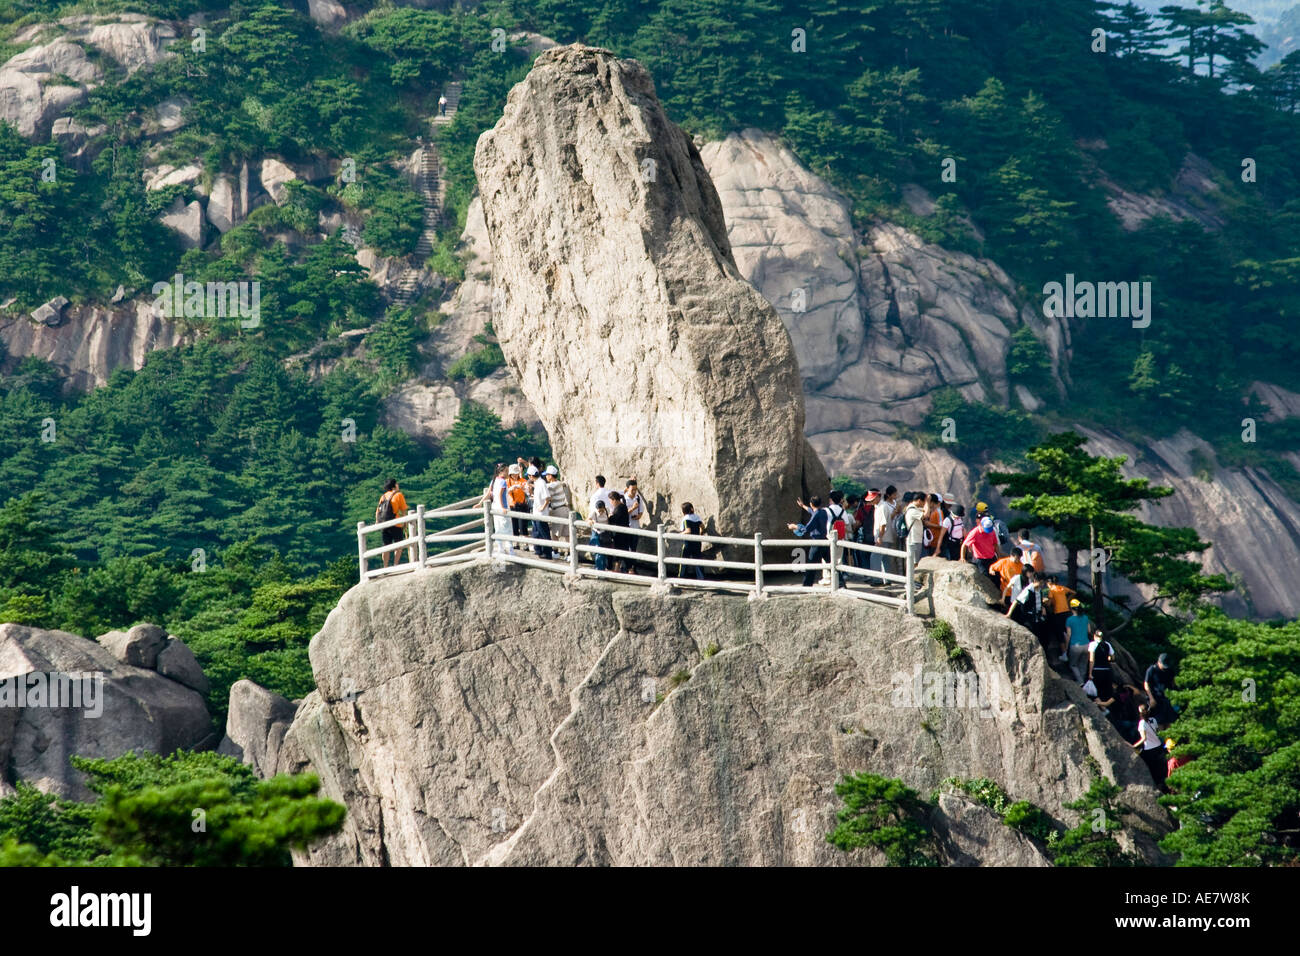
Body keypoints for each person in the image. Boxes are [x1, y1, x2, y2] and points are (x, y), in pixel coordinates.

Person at [790, 495, 839, 588]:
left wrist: (794, 526)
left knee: (811, 565)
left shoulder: (816, 515)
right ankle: (841, 583)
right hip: (825, 541)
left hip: (817, 543)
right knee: (832, 564)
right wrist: (802, 505)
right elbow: (812, 510)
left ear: (811, 504)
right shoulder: (823, 512)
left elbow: (806, 529)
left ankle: (806, 586)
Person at [1133, 703, 1168, 790]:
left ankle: (1159, 785)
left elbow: (1144, 738)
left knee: (1154, 769)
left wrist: (1134, 746)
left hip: (1150, 749)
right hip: (1158, 746)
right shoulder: (1153, 720)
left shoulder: (1142, 723)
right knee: (1163, 767)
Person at [375, 478, 408, 567]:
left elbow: (378, 511)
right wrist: (405, 522)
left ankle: (385, 566)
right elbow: (404, 510)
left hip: (384, 524)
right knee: (399, 545)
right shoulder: (398, 495)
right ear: (394, 486)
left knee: (386, 546)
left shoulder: (383, 496)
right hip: (396, 523)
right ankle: (395, 564)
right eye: (397, 484)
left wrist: (377, 522)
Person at [1044, 575, 1075, 656]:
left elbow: (1049, 603)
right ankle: (1070, 649)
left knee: (1059, 633)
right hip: (1067, 612)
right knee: (1068, 631)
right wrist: (1067, 600)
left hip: (1058, 613)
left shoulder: (1051, 590)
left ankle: (1064, 653)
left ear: (1049, 583)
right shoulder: (1062, 588)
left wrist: (1044, 601)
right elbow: (1073, 592)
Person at [1144, 653, 1178, 726]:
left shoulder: (1169, 670)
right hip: (1155, 698)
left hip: (1166, 698)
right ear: (1159, 662)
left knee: (1170, 718)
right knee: (1157, 720)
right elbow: (1146, 684)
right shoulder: (1152, 670)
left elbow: (1173, 683)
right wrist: (1151, 698)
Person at [487, 463, 513, 555]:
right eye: (506, 471)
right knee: (507, 529)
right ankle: (510, 550)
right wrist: (503, 507)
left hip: (495, 507)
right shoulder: (502, 482)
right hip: (502, 507)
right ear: (501, 472)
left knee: (498, 528)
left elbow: (488, 493)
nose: (507, 473)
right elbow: (500, 495)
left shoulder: (493, 481)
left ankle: (500, 549)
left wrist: (479, 503)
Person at [874, 486, 900, 578]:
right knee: (884, 558)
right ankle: (885, 578)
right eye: (894, 494)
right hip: (885, 534)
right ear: (888, 495)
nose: (896, 496)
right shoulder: (885, 505)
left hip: (892, 533)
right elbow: (887, 520)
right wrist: (895, 512)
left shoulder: (889, 504)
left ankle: (886, 578)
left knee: (887, 558)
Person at [1064, 598, 1092, 681]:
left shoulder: (1069, 620)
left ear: (1071, 608)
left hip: (1075, 645)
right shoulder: (1085, 618)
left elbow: (1068, 634)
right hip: (1086, 644)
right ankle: (1082, 682)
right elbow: (1089, 631)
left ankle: (1080, 681)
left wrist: (1066, 647)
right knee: (1083, 665)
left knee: (1073, 665)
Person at [622, 479, 648, 565]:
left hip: (635, 526)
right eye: (632, 489)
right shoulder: (623, 499)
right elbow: (622, 514)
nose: (634, 491)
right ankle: (626, 567)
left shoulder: (638, 498)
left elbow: (641, 511)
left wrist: (638, 516)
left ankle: (633, 567)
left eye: (635, 489)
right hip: (626, 527)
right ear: (627, 489)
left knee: (634, 548)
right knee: (627, 548)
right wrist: (632, 508)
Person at [677, 502, 705, 580]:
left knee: (683, 561)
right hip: (697, 542)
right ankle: (701, 578)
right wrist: (700, 533)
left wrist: (680, 534)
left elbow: (688, 530)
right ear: (692, 509)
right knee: (698, 560)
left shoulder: (686, 519)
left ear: (683, 511)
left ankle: (681, 577)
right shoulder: (697, 517)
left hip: (688, 543)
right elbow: (702, 527)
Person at [530, 467, 554, 559]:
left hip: (541, 514)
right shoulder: (538, 483)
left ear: (531, 476)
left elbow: (548, 498)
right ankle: (539, 550)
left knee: (543, 533)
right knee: (536, 532)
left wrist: (542, 507)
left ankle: (547, 553)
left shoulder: (541, 483)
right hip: (537, 513)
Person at [606, 490, 632, 572]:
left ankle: (629, 570)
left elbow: (615, 518)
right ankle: (618, 569)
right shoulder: (621, 507)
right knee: (621, 552)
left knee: (622, 552)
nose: (610, 503)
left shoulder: (620, 508)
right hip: (622, 534)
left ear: (614, 500)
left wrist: (609, 517)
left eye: (610, 501)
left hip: (622, 534)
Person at [1088, 629, 1115, 704]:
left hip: (1097, 671)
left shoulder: (1093, 644)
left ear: (1094, 636)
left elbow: (1091, 660)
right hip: (1107, 670)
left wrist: (1090, 673)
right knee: (1106, 690)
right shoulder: (1107, 644)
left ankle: (1102, 708)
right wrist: (1108, 658)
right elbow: (1113, 657)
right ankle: (1107, 706)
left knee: (1096, 692)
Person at [903, 493, 926, 572]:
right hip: (914, 539)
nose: (924, 504)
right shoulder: (912, 510)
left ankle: (912, 581)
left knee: (913, 561)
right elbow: (926, 515)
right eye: (924, 502)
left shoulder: (914, 509)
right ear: (919, 501)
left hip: (915, 538)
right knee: (914, 562)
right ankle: (912, 581)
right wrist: (928, 503)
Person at [506, 463, 529, 539]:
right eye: (513, 474)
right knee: (514, 526)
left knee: (523, 526)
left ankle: (525, 544)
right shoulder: (507, 482)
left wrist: (524, 488)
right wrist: (512, 488)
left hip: (522, 505)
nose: (515, 475)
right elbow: (505, 492)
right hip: (512, 506)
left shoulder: (523, 480)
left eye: (516, 473)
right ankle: (516, 544)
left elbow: (528, 491)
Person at [590, 501, 613, 572]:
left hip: (605, 534)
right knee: (599, 552)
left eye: (601, 510)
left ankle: (603, 568)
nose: (600, 512)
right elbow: (588, 519)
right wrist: (590, 521)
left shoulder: (607, 510)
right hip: (597, 533)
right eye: (599, 511)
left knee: (605, 552)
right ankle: (599, 570)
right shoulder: (593, 513)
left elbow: (610, 516)